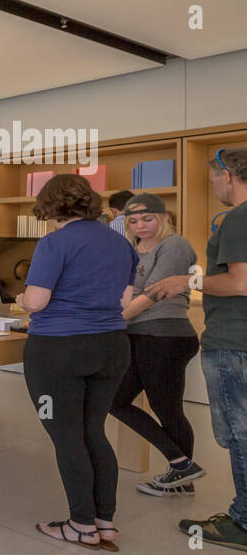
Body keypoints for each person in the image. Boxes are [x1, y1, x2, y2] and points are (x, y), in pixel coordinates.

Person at [17, 174, 136, 549]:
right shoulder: (121, 244)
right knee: (93, 432)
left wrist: (19, 299)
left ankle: (81, 525)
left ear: (50, 207)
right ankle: (104, 522)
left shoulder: (54, 243)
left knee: (66, 435)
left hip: (59, 350)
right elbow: (123, 302)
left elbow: (36, 301)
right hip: (112, 345)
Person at [146, 148, 247, 550]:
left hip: (233, 344)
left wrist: (186, 283)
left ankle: (242, 521)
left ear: (228, 174)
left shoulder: (238, 218)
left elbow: (240, 283)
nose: (214, 187)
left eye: (213, 179)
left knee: (238, 435)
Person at [106, 194, 203, 496]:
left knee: (167, 409)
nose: (140, 225)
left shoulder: (174, 245)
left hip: (165, 337)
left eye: (147, 219)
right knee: (116, 401)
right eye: (133, 221)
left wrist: (115, 320)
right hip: (140, 336)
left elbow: (153, 293)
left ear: (163, 218)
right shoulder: (134, 248)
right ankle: (182, 466)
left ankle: (182, 476)